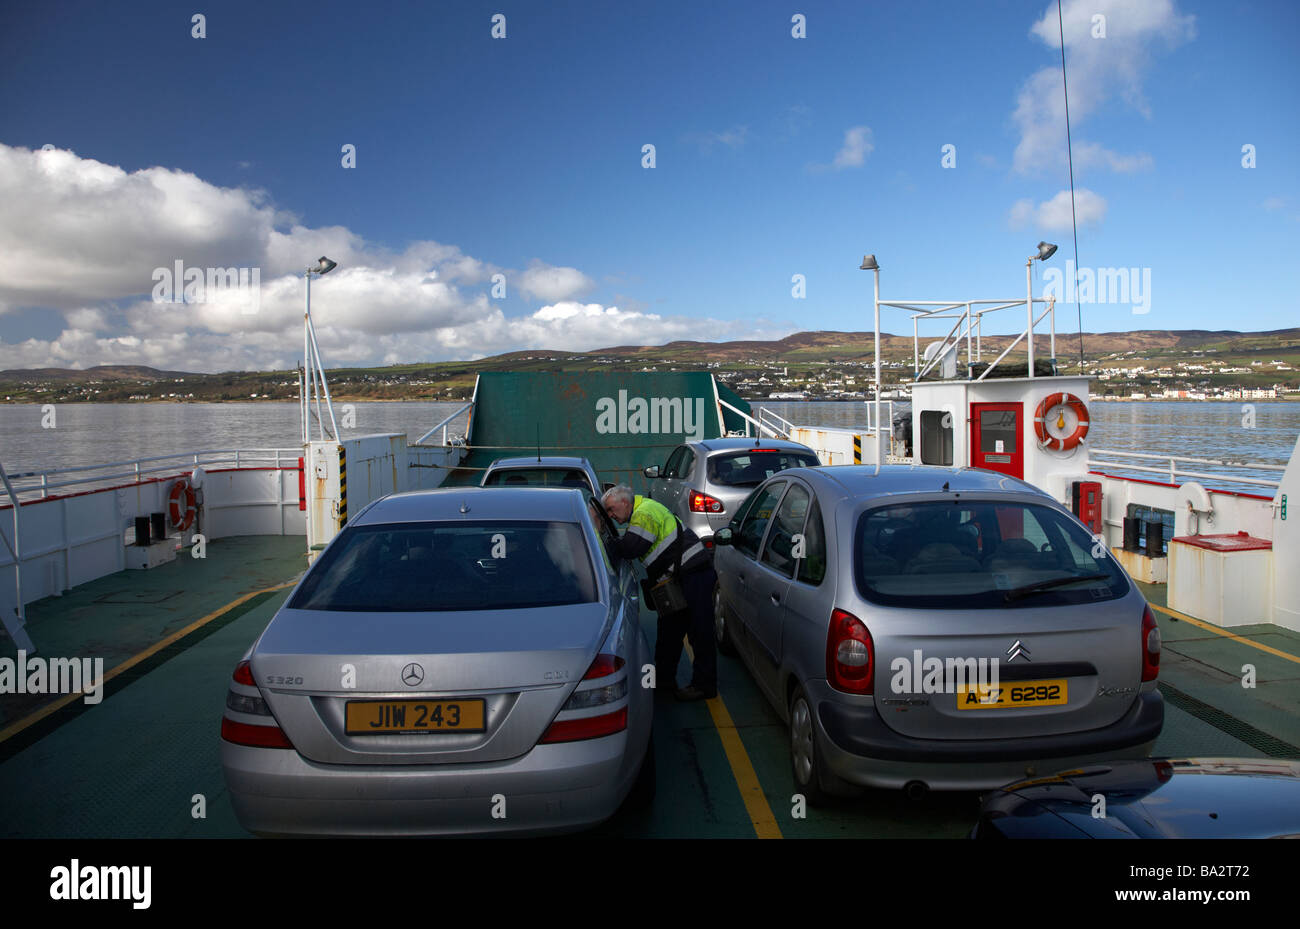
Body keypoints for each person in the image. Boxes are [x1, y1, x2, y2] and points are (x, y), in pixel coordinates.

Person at [601, 484, 717, 701]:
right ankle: (663, 682)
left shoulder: (644, 514)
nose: (611, 516)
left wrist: (603, 539)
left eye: (611, 509)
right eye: (607, 512)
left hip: (694, 574)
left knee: (699, 631)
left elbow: (629, 549)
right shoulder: (642, 510)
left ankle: (704, 686)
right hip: (679, 577)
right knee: (669, 633)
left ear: (625, 503)